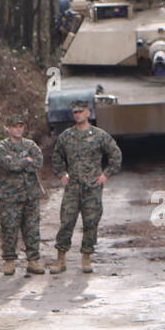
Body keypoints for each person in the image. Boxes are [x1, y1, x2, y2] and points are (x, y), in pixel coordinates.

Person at [50, 99, 121, 274]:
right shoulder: (66, 136)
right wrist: (61, 174)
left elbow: (115, 155)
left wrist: (106, 174)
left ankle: (87, 257)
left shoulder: (99, 135)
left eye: (81, 111)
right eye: (75, 112)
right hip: (73, 187)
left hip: (92, 188)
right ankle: (60, 258)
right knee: (66, 222)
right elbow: (57, 157)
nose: (78, 114)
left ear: (88, 113)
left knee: (91, 223)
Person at [0, 113, 45, 276]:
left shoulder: (30, 145)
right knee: (9, 229)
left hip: (31, 195)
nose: (18, 129)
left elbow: (38, 162)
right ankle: (9, 261)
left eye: (20, 126)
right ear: (8, 128)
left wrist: (17, 162)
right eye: (15, 126)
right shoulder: (2, 147)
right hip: (10, 196)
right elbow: (7, 165)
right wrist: (25, 161)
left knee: (32, 229)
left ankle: (33, 261)